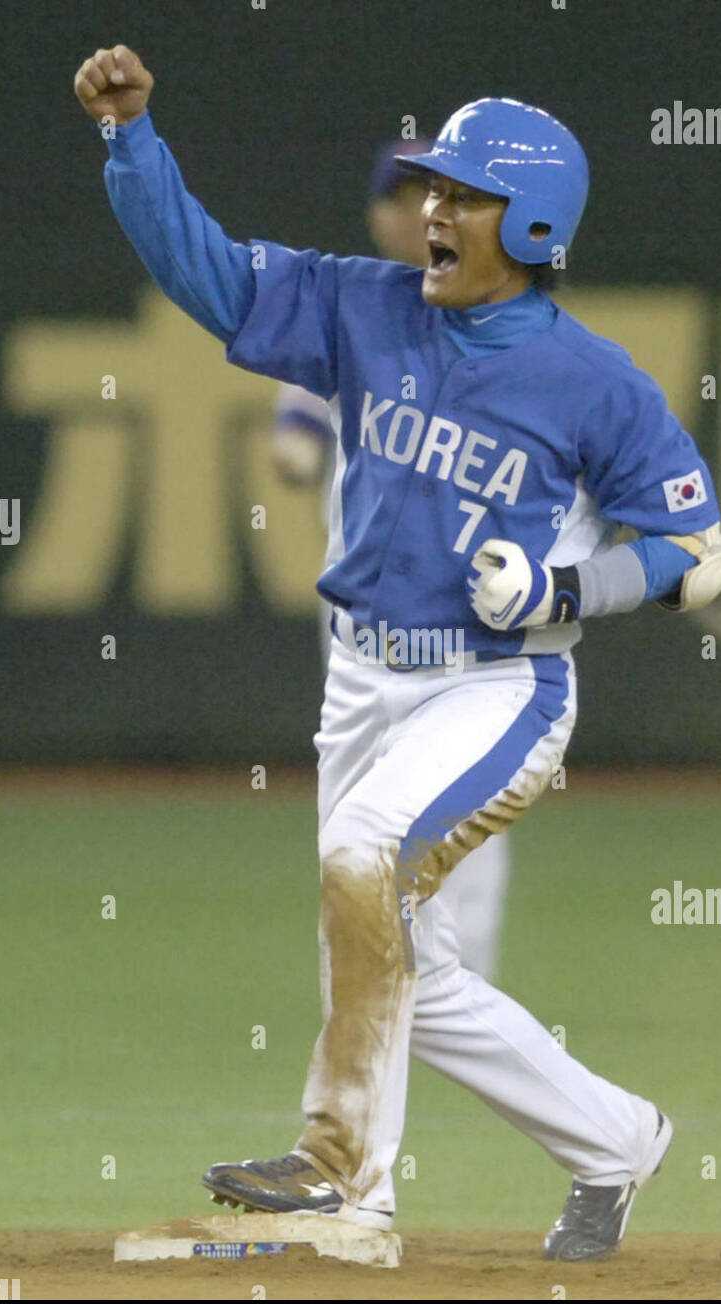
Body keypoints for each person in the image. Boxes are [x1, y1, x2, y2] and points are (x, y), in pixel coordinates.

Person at [75, 46, 721, 1260]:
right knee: (396, 959)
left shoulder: (592, 380)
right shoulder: (361, 306)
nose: (432, 207)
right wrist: (132, 142)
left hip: (495, 686)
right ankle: (614, 1137)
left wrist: (563, 583)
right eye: (431, 186)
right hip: (360, 680)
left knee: (362, 858)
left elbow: (698, 551)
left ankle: (344, 1184)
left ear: (529, 221)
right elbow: (212, 275)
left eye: (463, 193)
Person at [270, 139, 511, 982]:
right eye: (407, 194)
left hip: (473, 605)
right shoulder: (350, 315)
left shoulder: (506, 325)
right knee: (359, 803)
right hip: (363, 604)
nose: (424, 211)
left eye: (441, 194)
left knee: (465, 796)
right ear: (378, 214)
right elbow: (294, 439)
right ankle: (372, 981)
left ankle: (457, 989)